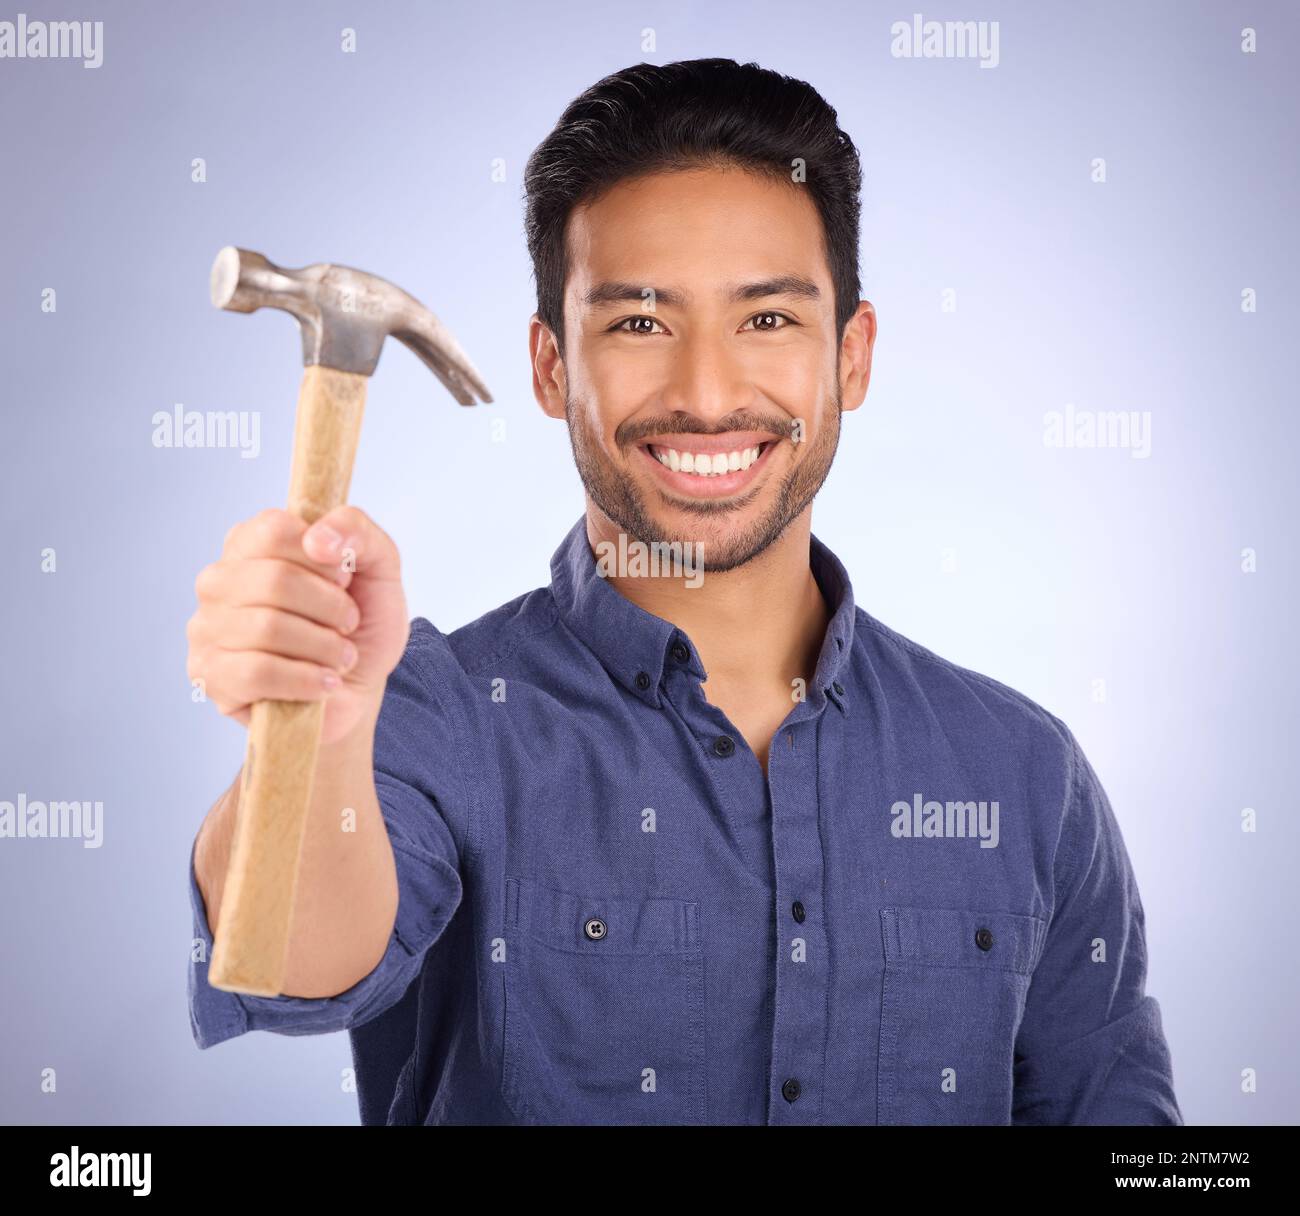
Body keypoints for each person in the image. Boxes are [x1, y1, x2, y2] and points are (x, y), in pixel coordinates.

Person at [185, 57, 1182, 1126]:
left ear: (851, 357)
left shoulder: (1022, 771)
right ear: (551, 366)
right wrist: (315, 735)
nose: (707, 396)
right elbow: (291, 968)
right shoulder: (436, 713)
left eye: (767, 320)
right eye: (639, 324)